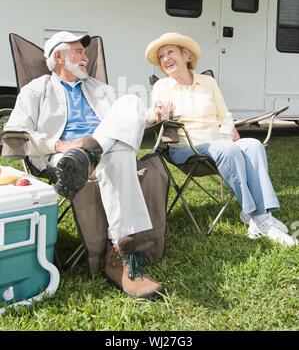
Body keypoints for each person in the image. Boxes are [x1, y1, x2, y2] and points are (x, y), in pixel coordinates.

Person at [4, 30, 164, 299]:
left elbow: (125, 122)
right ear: (58, 57)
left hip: (104, 152)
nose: (86, 58)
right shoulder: (36, 90)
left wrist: (151, 115)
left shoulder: (100, 89)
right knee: (120, 154)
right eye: (78, 52)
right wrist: (60, 145)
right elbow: (14, 132)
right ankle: (123, 257)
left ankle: (91, 152)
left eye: (85, 52)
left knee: (131, 102)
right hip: (65, 159)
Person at [145, 32, 296, 247]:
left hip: (220, 141)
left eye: (171, 52)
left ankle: (261, 217)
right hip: (187, 148)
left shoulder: (207, 82)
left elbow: (224, 114)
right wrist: (158, 114)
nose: (166, 58)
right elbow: (153, 115)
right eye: (161, 56)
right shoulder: (163, 87)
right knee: (229, 150)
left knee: (253, 145)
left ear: (186, 56)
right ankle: (255, 216)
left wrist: (230, 128)